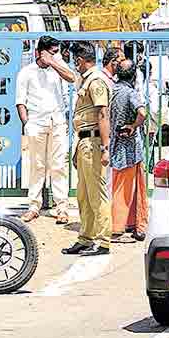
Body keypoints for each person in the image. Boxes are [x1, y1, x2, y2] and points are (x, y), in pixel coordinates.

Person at [16, 35, 74, 225]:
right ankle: (34, 206)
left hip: (57, 121)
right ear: (40, 52)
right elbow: (20, 101)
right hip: (36, 123)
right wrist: (27, 124)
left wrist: (54, 63)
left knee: (58, 165)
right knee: (37, 165)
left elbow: (72, 77)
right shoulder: (27, 72)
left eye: (57, 52)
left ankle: (61, 207)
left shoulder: (58, 68)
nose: (56, 56)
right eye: (52, 52)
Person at [62, 43, 112, 257]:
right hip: (84, 142)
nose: (75, 64)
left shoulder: (96, 80)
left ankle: (103, 241)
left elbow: (103, 114)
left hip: (93, 143)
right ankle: (86, 237)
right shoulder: (87, 80)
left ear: (81, 60)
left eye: (75, 60)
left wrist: (105, 147)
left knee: (96, 194)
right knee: (83, 194)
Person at [109, 59, 148, 242]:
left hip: (115, 142)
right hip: (130, 146)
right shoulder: (131, 93)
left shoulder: (112, 90)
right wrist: (134, 125)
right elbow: (143, 113)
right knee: (128, 188)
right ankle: (117, 227)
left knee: (123, 185)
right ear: (134, 75)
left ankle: (131, 223)